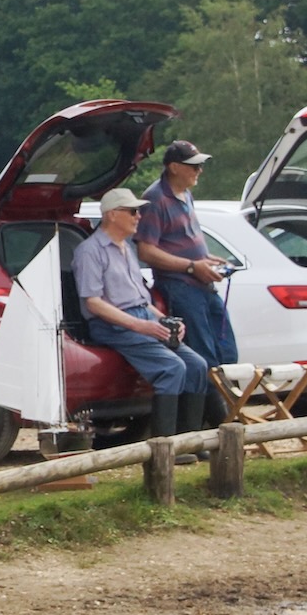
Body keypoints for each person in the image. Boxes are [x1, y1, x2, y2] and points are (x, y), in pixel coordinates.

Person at [73, 188, 208, 464]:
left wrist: (164, 321)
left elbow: (142, 300)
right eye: (133, 211)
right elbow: (94, 304)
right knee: (172, 368)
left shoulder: (128, 248)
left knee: (197, 366)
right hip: (111, 324)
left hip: (139, 318)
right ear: (112, 215)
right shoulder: (89, 251)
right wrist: (140, 326)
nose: (139, 216)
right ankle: (164, 449)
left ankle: (189, 442)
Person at [136, 140, 238, 429]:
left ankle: (218, 424)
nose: (200, 170)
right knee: (203, 356)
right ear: (174, 167)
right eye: (193, 166)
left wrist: (206, 258)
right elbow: (146, 251)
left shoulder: (186, 195)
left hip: (202, 283)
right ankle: (219, 426)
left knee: (225, 351)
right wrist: (192, 265)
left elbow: (183, 242)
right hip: (180, 286)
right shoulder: (156, 199)